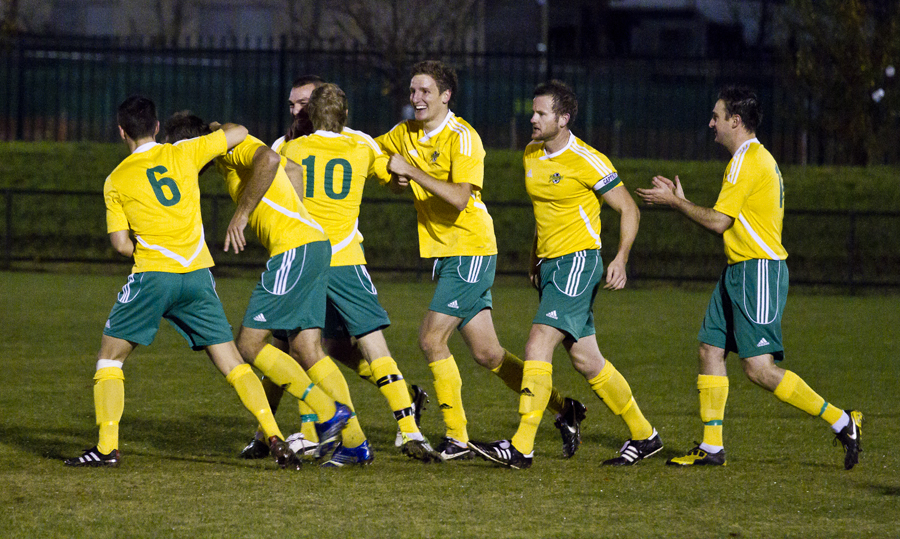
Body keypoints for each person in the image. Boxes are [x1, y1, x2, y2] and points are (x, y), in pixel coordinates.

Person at [64, 95, 300, 470]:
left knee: (110, 359)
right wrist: (212, 132)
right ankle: (275, 436)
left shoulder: (116, 179)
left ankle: (107, 448)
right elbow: (239, 132)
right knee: (232, 363)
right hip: (197, 276)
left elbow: (121, 244)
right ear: (157, 127)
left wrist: (151, 245)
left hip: (153, 275)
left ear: (121, 131)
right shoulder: (184, 153)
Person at [636, 86, 863, 469]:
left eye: (717, 116)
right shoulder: (751, 159)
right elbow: (725, 221)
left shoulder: (747, 160)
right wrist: (683, 202)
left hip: (758, 269)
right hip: (738, 270)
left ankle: (843, 422)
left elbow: (719, 222)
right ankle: (711, 447)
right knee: (710, 349)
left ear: (735, 121)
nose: (711, 123)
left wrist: (676, 203)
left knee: (758, 369)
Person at [377, 60, 586, 461]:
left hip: (471, 248)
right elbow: (373, 153)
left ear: (445, 96)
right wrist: (390, 174)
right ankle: (565, 408)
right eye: (413, 90)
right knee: (488, 354)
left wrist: (411, 172)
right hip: (449, 252)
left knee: (430, 338)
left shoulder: (463, 137)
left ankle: (456, 438)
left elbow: (459, 197)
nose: (416, 98)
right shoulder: (403, 133)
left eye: (424, 92)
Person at [467, 81, 662, 469]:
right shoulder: (530, 154)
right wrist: (534, 259)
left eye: (541, 113)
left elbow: (629, 209)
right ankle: (645, 435)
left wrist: (620, 258)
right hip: (551, 266)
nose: (533, 118)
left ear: (564, 118)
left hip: (578, 262)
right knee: (588, 361)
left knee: (538, 342)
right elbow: (544, 214)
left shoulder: (588, 159)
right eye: (533, 112)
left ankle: (521, 446)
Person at [239, 75, 430, 460]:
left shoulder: (291, 148)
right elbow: (395, 177)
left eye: (301, 105)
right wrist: (402, 174)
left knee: (291, 345)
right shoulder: (360, 145)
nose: (295, 111)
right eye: (291, 105)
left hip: (306, 258)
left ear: (313, 108)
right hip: (346, 257)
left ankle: (305, 432)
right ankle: (407, 428)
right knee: (352, 344)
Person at [163, 111, 359, 466]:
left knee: (248, 345)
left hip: (295, 248)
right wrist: (291, 209)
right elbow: (293, 170)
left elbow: (270, 158)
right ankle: (356, 444)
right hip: (310, 243)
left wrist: (242, 213)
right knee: (306, 348)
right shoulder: (229, 153)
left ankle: (328, 412)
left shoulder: (230, 148)